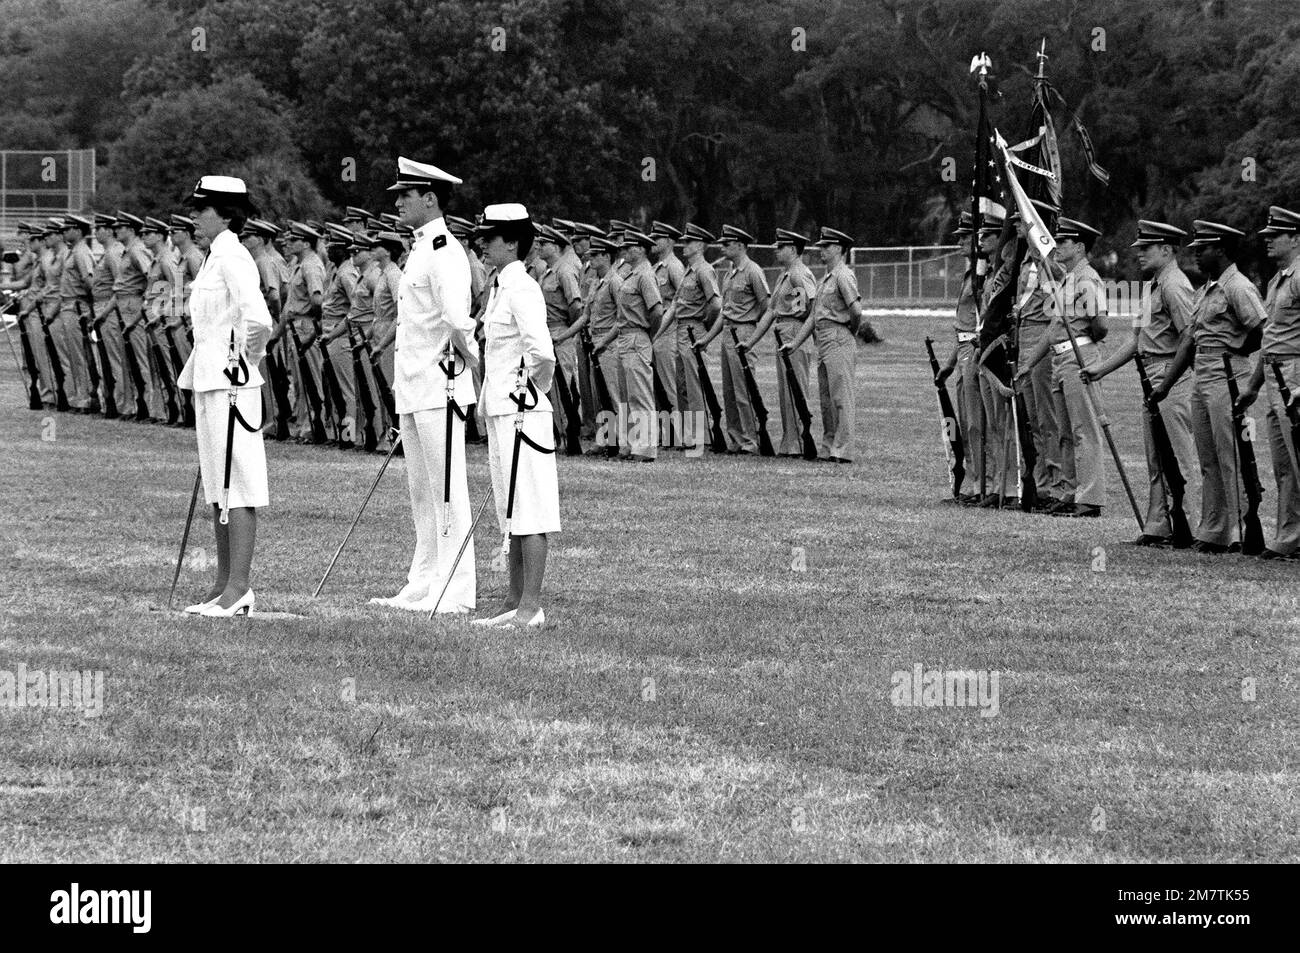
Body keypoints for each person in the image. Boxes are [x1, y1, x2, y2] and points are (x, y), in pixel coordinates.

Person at [369, 156, 477, 613]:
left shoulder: (445, 251)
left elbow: (457, 320)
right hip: (415, 386)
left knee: (448, 489)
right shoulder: (420, 249)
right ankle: (425, 578)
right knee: (422, 489)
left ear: (429, 199)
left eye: (405, 195)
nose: (397, 202)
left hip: (441, 386)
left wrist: (474, 364)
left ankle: (455, 590)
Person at [176, 175, 272, 617]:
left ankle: (239, 587)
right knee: (218, 484)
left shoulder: (233, 255)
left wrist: (245, 364)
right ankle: (221, 585)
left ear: (226, 214)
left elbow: (259, 320)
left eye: (202, 209)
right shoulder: (216, 257)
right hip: (211, 381)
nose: (194, 217)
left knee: (240, 484)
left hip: (232, 383)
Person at [1151, 220, 1268, 552]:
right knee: (1208, 457)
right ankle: (1214, 530)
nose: (1197, 255)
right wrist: (1167, 384)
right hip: (1203, 373)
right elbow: (1188, 340)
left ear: (1221, 249)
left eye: (1203, 249)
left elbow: (1261, 330)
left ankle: (1241, 531)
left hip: (1227, 373)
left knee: (1232, 452)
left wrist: (1237, 351)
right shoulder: (1204, 291)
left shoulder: (1238, 287)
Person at [1081, 220, 1197, 543]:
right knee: (1156, 458)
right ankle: (1158, 527)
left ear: (1166, 249)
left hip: (1169, 377)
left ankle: (1191, 529)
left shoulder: (1174, 285)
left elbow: (1189, 336)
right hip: (1151, 377)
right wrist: (1101, 369)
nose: (1139, 254)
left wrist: (1168, 382)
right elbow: (1137, 341)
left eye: (1146, 248)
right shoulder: (1153, 285)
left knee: (1178, 456)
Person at [472, 203, 559, 629]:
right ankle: (514, 600)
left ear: (512, 242)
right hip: (504, 410)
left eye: (490, 238)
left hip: (522, 411)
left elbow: (542, 352)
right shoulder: (500, 286)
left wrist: (529, 391)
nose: (483, 245)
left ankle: (531, 607)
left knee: (531, 510)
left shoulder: (521, 287)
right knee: (510, 511)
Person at [1016, 217, 1109, 517]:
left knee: (1085, 430)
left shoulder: (1086, 279)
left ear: (1080, 247)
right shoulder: (1067, 279)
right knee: (1066, 432)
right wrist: (1029, 364)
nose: (1058, 246)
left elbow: (1101, 324)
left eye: (1065, 241)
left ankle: (1090, 497)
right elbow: (1054, 328)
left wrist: (1087, 342)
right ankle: (1070, 491)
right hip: (1060, 359)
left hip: (1079, 357)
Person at [1232, 206, 1300, 559]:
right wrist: (1254, 386)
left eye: (1276, 236)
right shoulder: (1276, 280)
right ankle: (1289, 537)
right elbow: (1271, 339)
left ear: (1295, 238)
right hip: (1275, 374)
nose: (1268, 242)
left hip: (1295, 375)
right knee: (1284, 465)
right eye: (1267, 237)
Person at [785, 226, 865, 463]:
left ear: (839, 249)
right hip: (824, 340)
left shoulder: (843, 275)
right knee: (827, 399)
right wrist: (795, 344)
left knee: (841, 397)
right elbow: (812, 317)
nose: (822, 250)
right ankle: (829, 446)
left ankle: (843, 450)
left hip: (838, 337)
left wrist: (850, 330)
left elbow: (856, 310)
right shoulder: (824, 279)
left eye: (827, 246)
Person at [695, 224, 769, 454]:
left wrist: (752, 333)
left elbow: (766, 305)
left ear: (740, 245)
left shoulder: (753, 271)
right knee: (729, 392)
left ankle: (750, 440)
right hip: (728, 332)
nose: (722, 247)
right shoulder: (729, 273)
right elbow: (724, 312)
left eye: (727, 244)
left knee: (743, 390)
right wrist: (707, 339)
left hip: (744, 332)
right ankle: (736, 438)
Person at [745, 228, 816, 457]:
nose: (777, 250)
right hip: (783, 332)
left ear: (793, 250)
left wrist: (797, 336)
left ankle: (798, 444)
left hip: (794, 332)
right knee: (786, 391)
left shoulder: (799, 274)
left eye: (781, 247)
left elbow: (811, 308)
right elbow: (772, 311)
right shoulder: (784, 275)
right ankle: (790, 442)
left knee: (796, 389)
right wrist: (750, 342)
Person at [612, 228, 663, 461]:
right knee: (626, 396)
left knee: (640, 395)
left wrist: (648, 335)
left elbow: (656, 311)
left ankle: (645, 448)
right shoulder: (632, 274)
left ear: (642, 249)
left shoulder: (644, 274)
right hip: (625, 336)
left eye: (630, 247)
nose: (625, 251)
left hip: (637, 335)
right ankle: (630, 445)